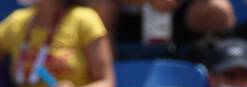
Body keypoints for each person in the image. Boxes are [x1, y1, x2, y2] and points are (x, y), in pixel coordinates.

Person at [89, 0, 234, 53]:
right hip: (126, 17)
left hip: (175, 13)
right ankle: (106, 78)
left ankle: (224, 76)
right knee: (100, 3)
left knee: (219, 10)